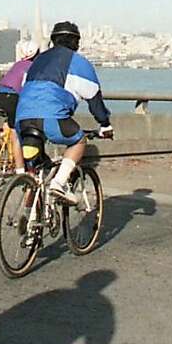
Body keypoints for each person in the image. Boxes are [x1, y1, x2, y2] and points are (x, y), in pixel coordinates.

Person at [14, 21, 113, 207]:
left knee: (35, 171)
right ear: (76, 42)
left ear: (53, 40)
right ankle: (58, 184)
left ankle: (29, 216)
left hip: (22, 120)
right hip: (51, 118)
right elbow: (95, 100)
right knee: (79, 140)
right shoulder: (78, 62)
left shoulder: (37, 61)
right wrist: (105, 124)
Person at [0, 39, 39, 126]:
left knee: (11, 123)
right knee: (21, 125)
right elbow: (28, 88)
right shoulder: (33, 67)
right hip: (11, 100)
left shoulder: (17, 65)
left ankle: (6, 132)